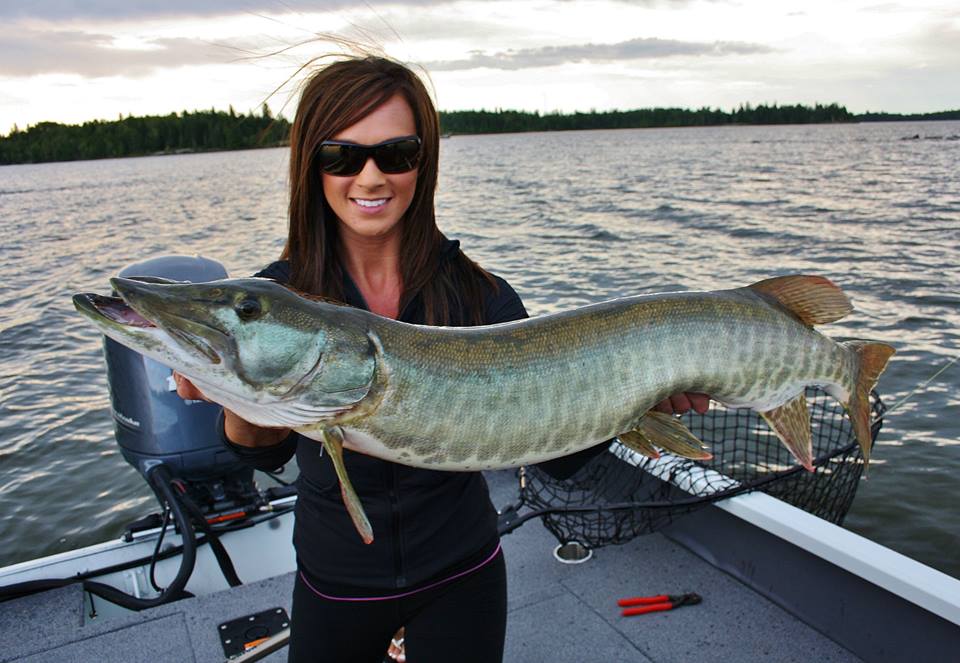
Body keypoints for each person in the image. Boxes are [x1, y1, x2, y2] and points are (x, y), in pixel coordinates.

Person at [176, 55, 708, 663]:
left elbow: (560, 454)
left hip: (463, 568)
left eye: (395, 153)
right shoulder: (277, 296)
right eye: (341, 156)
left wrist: (638, 399)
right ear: (311, 167)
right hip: (336, 579)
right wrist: (230, 393)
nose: (370, 178)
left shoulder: (481, 295)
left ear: (423, 161)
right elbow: (262, 451)